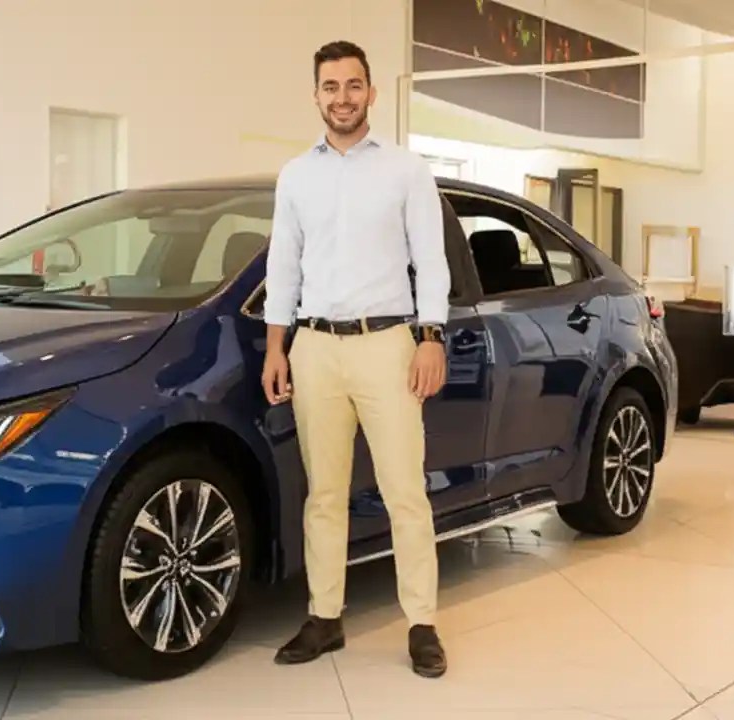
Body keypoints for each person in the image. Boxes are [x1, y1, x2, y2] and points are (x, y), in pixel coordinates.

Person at [261, 40, 451, 678]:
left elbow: (431, 260)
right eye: (329, 86)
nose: (341, 97)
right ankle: (325, 617)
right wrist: (276, 348)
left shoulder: (406, 170)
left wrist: (431, 337)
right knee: (324, 494)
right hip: (314, 348)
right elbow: (282, 266)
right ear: (315, 95)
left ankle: (422, 623)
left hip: (387, 345)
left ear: (372, 92)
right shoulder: (296, 175)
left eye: (352, 85)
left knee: (405, 491)